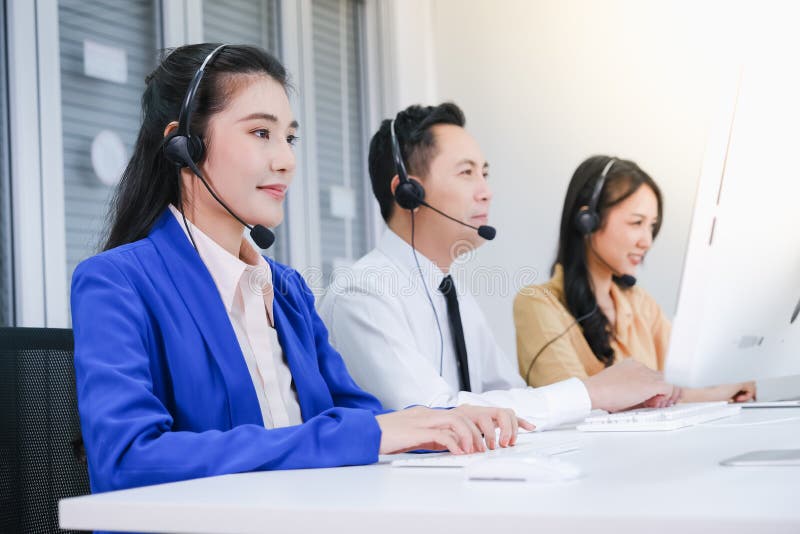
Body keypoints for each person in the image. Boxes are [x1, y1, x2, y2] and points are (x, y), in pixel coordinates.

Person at [71, 44, 526, 494]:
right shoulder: (117, 283)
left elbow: (361, 419)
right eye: (260, 134)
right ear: (183, 144)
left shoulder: (286, 289)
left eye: (289, 138)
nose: (286, 160)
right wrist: (370, 434)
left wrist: (442, 426)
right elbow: (127, 460)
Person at [318, 103, 678, 431]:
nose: (485, 190)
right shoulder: (363, 294)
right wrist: (592, 393)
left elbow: (510, 397)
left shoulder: (451, 290)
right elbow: (435, 414)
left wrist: (616, 404)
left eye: (485, 173)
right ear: (407, 192)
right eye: (466, 173)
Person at [514, 155, 755, 402]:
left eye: (651, 226)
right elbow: (577, 404)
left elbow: (686, 380)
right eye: (636, 222)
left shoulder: (640, 304)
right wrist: (723, 390)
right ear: (588, 221)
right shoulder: (538, 304)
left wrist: (727, 383)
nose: (647, 241)